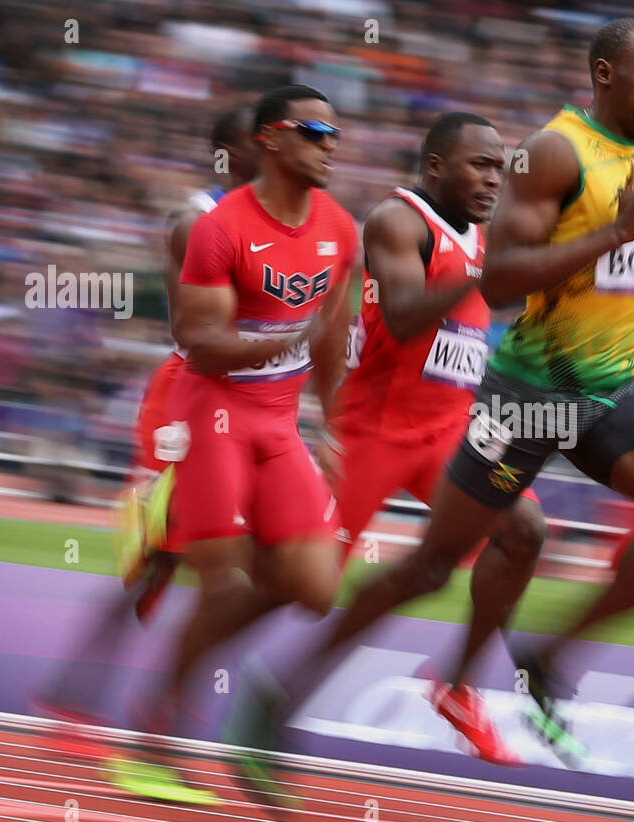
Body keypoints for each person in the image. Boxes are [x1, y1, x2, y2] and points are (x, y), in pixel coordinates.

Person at [282, 19, 634, 760]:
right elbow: (499, 280)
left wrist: (624, 248)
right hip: (528, 393)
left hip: (614, 385)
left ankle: (549, 656)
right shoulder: (552, 153)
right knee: (431, 566)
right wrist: (615, 233)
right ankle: (283, 695)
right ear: (603, 74)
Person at [232, 113, 547, 770]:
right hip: (371, 433)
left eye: (501, 167)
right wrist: (492, 276)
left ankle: (458, 688)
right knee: (295, 586)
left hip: (447, 432)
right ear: (436, 167)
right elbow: (403, 316)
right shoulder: (395, 221)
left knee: (523, 529)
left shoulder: (485, 236)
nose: (495, 178)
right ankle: (211, 657)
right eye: (480, 165)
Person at [109, 85, 358, 803]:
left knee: (312, 586)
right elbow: (201, 344)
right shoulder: (219, 227)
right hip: (211, 410)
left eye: (337, 134)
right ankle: (157, 733)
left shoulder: (341, 227)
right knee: (228, 583)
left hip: (277, 421)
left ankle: (196, 650)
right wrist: (288, 337)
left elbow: (335, 335)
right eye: (316, 132)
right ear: (272, 140)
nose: (331, 146)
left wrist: (334, 422)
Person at [35, 106, 259, 756]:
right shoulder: (198, 217)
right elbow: (197, 330)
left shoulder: (274, 218)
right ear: (226, 153)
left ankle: (150, 706)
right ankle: (82, 701)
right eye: (258, 143)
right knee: (154, 563)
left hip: (243, 405)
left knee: (224, 565)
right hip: (185, 403)